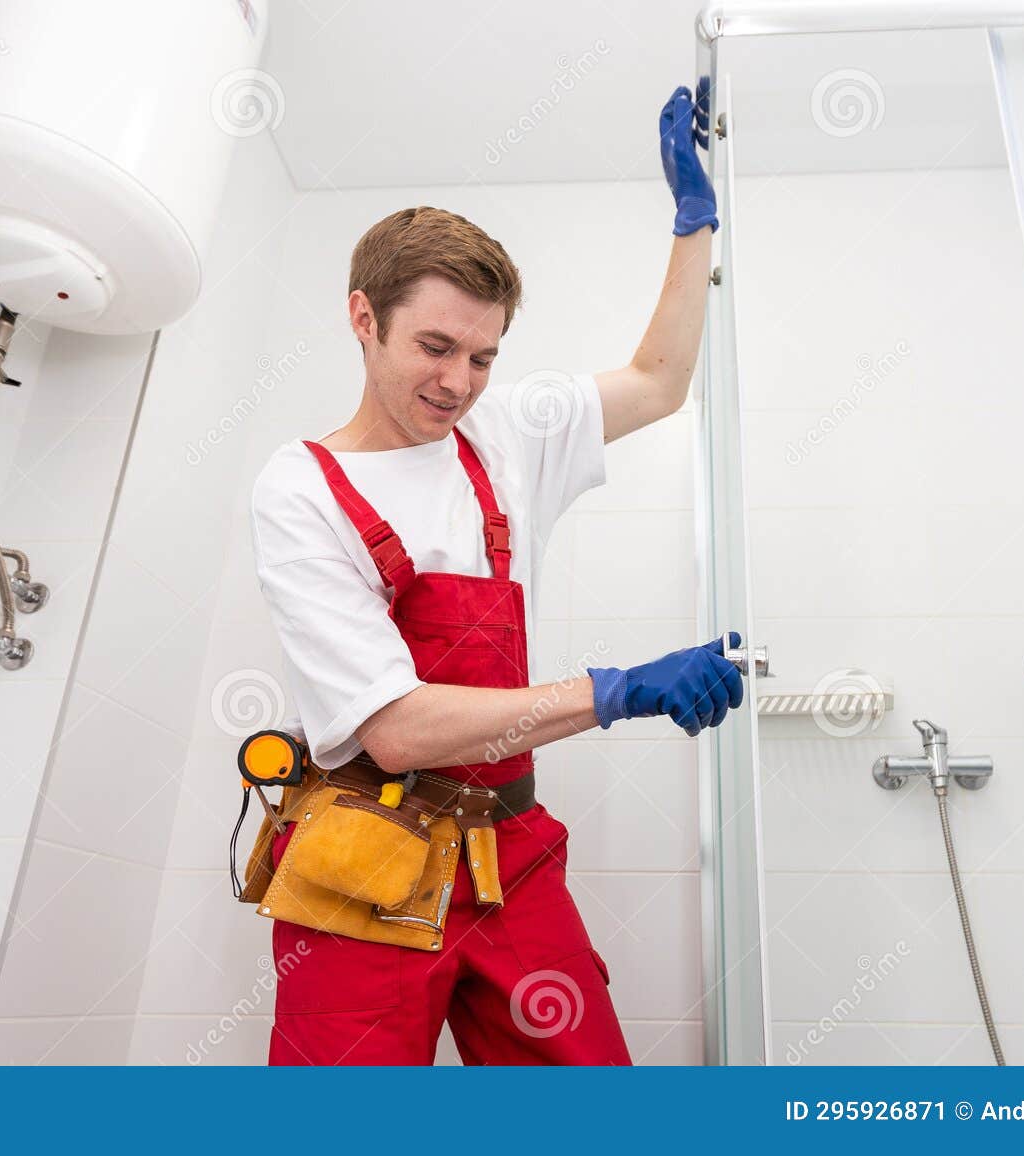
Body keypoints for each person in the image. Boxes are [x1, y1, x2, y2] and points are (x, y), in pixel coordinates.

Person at [247, 83, 742, 1065]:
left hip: (510, 855)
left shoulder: (506, 434)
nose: (459, 382)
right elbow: (393, 730)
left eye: (482, 355)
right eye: (435, 346)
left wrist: (694, 225)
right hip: (361, 864)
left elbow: (658, 382)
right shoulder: (302, 486)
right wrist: (615, 690)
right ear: (362, 317)